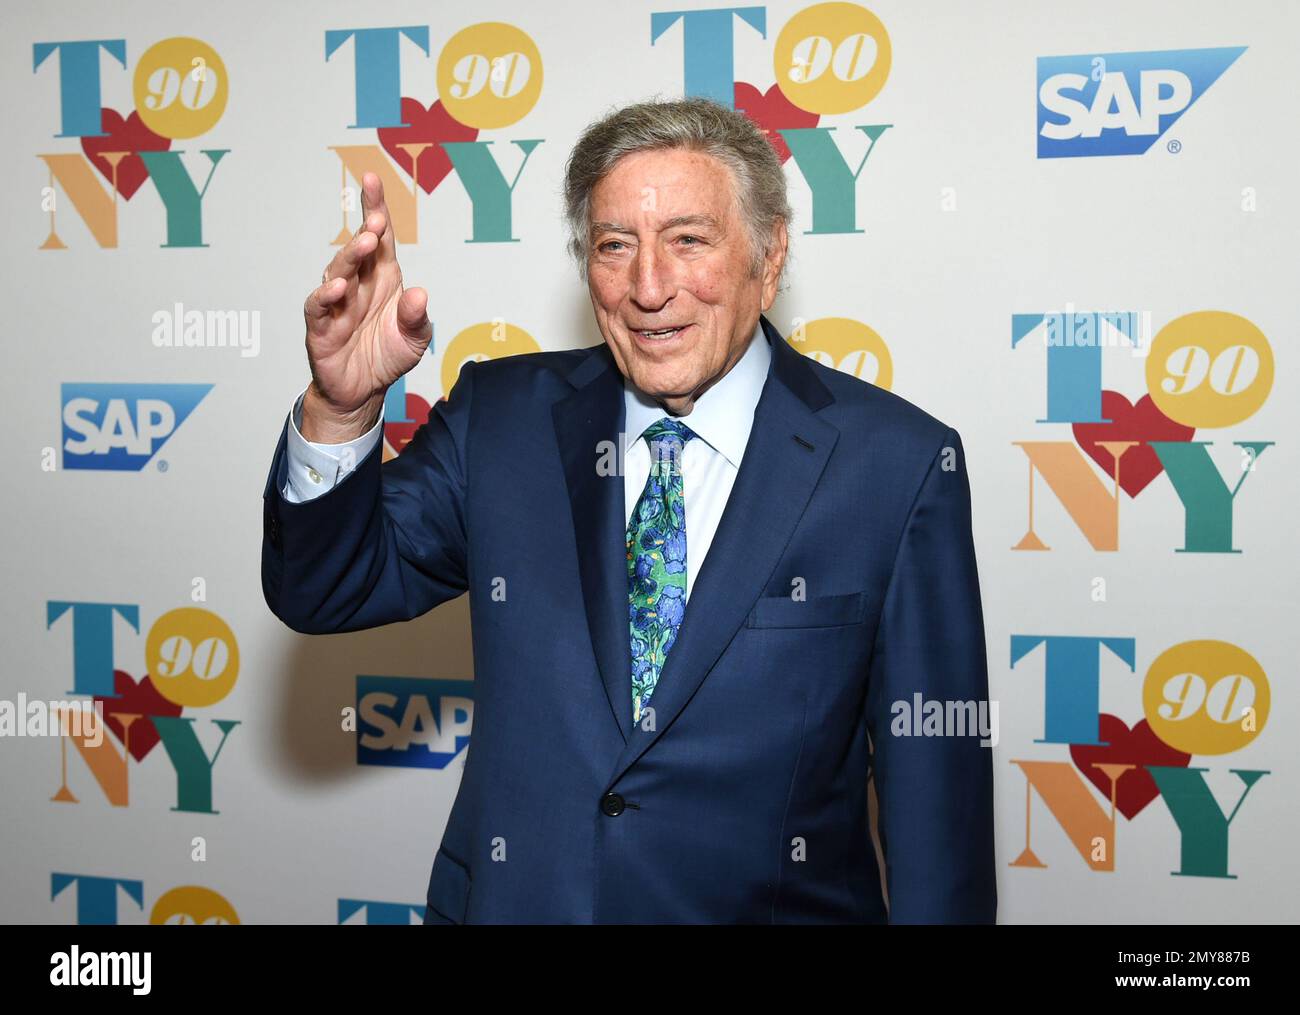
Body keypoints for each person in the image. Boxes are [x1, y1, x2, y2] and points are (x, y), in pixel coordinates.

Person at [261, 96, 996, 924]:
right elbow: (324, 589)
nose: (649, 287)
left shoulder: (895, 466)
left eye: (688, 239)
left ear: (771, 254)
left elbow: (938, 811)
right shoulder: (502, 421)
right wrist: (341, 408)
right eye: (616, 246)